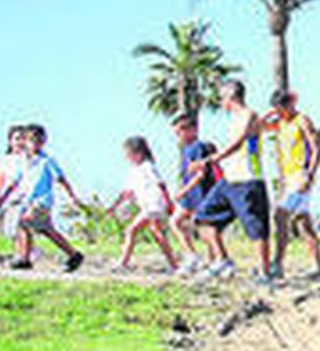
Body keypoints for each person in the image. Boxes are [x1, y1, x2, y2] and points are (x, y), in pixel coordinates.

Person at [190, 80, 272, 282]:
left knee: (256, 229)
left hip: (248, 180)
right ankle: (222, 260)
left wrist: (209, 160)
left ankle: (264, 273)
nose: (220, 102)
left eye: (221, 97)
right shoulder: (233, 119)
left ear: (231, 97)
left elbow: (238, 143)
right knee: (202, 218)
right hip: (229, 180)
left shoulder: (249, 115)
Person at [0, 124, 85, 272]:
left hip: (42, 201)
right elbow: (14, 182)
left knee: (24, 222)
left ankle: (24, 258)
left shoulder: (47, 161)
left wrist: (73, 196)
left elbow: (62, 179)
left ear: (43, 142)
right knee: (47, 230)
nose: (34, 144)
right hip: (28, 201)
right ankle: (74, 254)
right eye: (31, 140)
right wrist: (2, 197)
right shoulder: (23, 161)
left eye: (38, 141)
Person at [262, 89, 320, 280]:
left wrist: (310, 174)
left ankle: (277, 264)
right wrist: (271, 113)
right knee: (303, 223)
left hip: (300, 175)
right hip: (287, 178)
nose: (279, 112)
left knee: (280, 215)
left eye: (281, 107)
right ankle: (319, 267)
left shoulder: (302, 120)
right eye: (276, 108)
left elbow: (315, 148)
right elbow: (259, 125)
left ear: (290, 104)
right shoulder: (280, 123)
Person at [107, 136, 179, 272]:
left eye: (129, 154)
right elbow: (127, 192)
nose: (127, 157)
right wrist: (114, 206)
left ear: (138, 153)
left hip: (154, 204)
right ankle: (174, 265)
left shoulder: (148, 167)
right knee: (157, 234)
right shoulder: (134, 171)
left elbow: (161, 184)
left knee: (132, 230)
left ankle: (123, 263)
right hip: (147, 206)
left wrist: (169, 202)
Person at [169, 113, 216, 274]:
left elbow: (200, 175)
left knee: (205, 229)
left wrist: (182, 191)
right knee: (175, 222)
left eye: (183, 129)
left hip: (200, 193)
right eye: (177, 131)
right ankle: (191, 255)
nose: (180, 134)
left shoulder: (198, 147)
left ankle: (214, 261)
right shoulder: (185, 150)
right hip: (189, 196)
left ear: (193, 129)